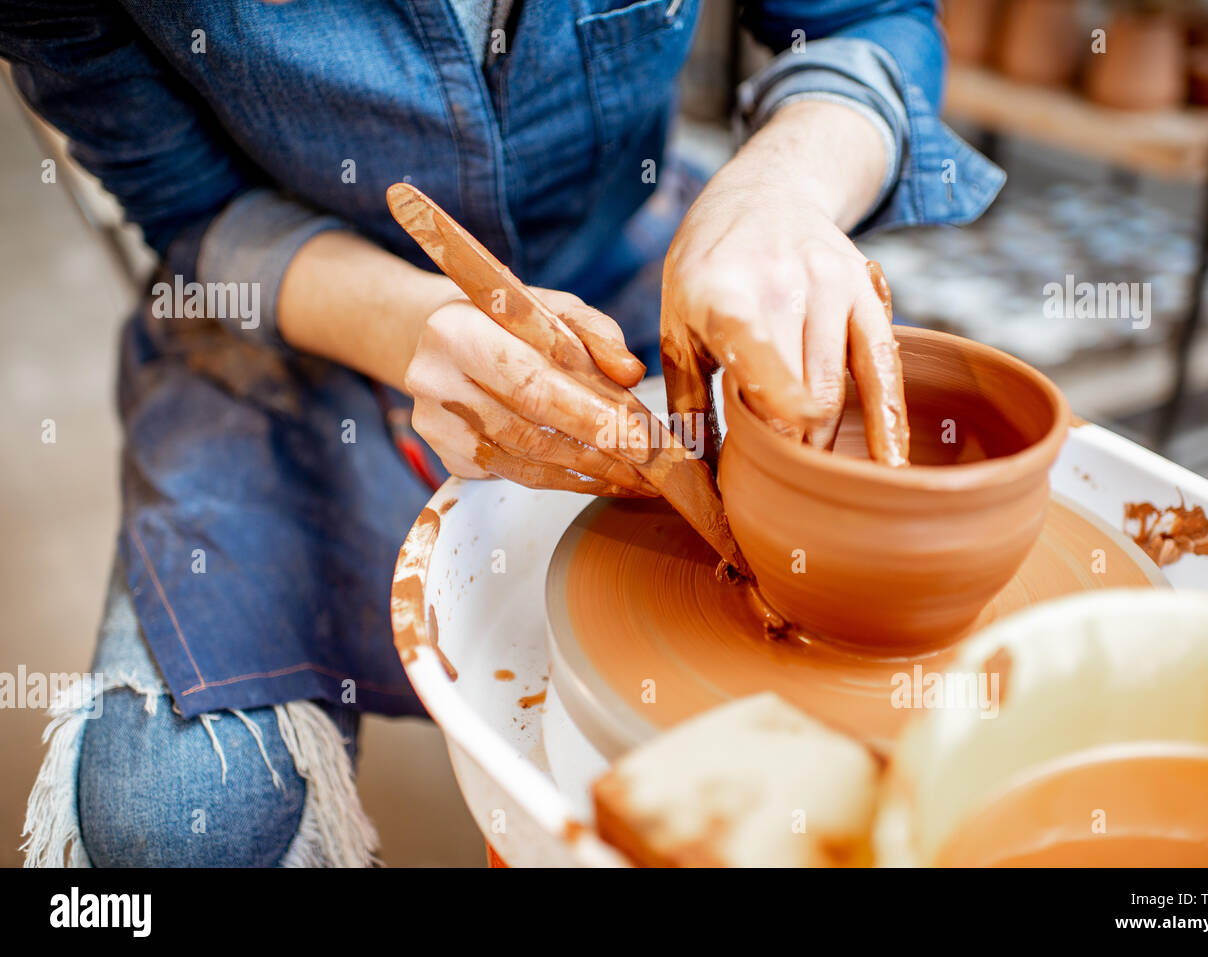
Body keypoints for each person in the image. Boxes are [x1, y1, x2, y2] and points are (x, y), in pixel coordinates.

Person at [4, 0, 1002, 866]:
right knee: (173, 827)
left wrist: (779, 190)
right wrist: (407, 326)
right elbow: (190, 211)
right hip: (301, 314)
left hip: (633, 271)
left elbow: (859, 19)